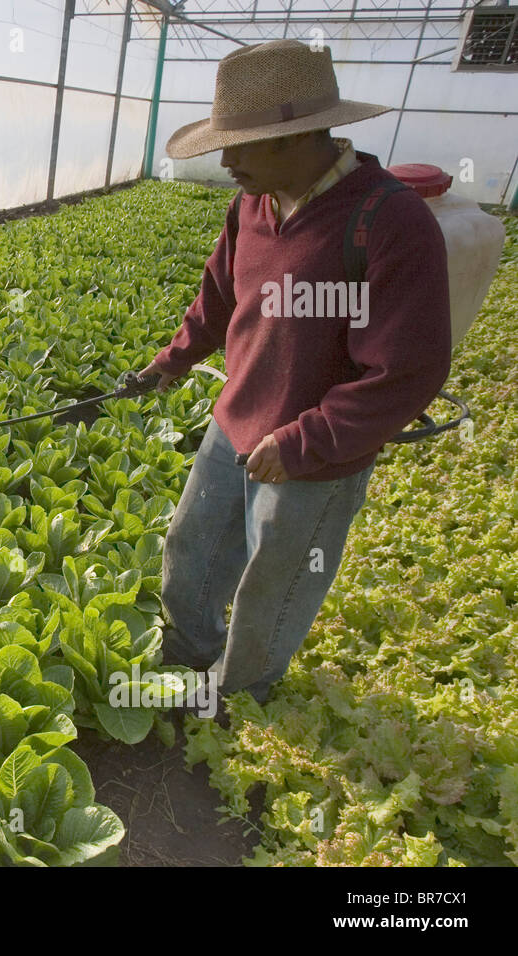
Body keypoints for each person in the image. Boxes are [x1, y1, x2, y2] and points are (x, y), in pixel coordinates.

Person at [138, 39, 451, 706]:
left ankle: (240, 702)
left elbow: (408, 370)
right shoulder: (251, 203)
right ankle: (189, 660)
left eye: (241, 144)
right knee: (192, 554)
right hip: (235, 423)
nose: (226, 161)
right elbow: (220, 298)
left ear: (298, 135)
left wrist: (304, 440)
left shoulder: (389, 220)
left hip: (315, 454)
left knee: (271, 591)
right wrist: (173, 361)